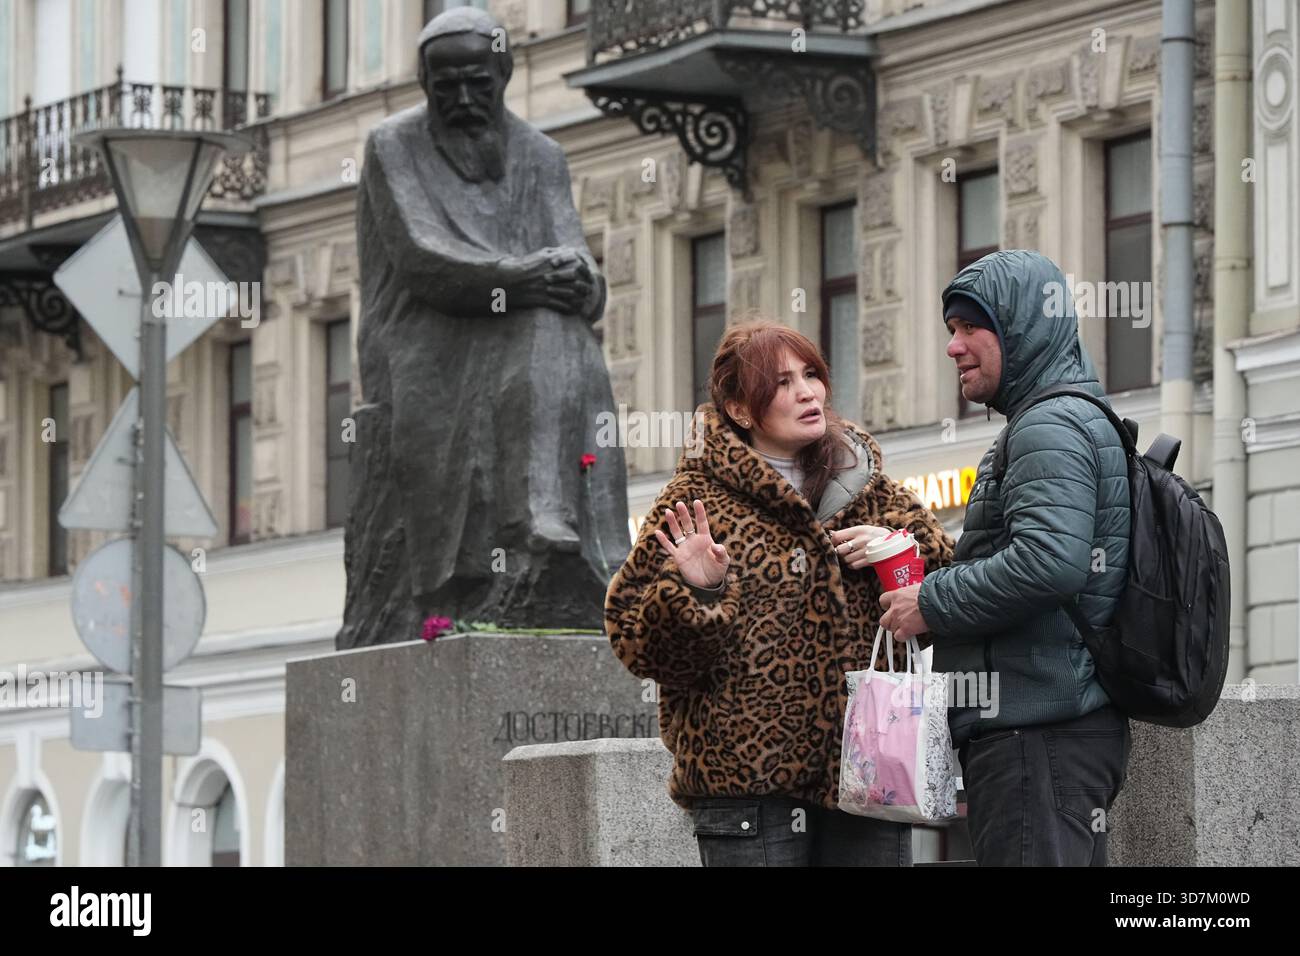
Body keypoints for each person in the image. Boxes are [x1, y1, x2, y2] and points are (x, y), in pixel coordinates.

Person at [605, 319, 953, 867]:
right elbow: (638, 645)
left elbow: (942, 593)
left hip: (866, 772)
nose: (808, 392)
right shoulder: (696, 502)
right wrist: (699, 593)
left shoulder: (870, 489)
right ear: (742, 410)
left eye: (811, 374)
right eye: (783, 383)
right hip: (747, 786)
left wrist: (897, 548)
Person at [880, 249, 1133, 866]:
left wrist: (930, 602)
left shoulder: (1050, 424)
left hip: (1036, 736)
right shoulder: (1057, 418)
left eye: (970, 328)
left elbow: (1050, 559)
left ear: (1020, 329)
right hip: (1046, 733)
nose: (953, 347)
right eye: (951, 331)